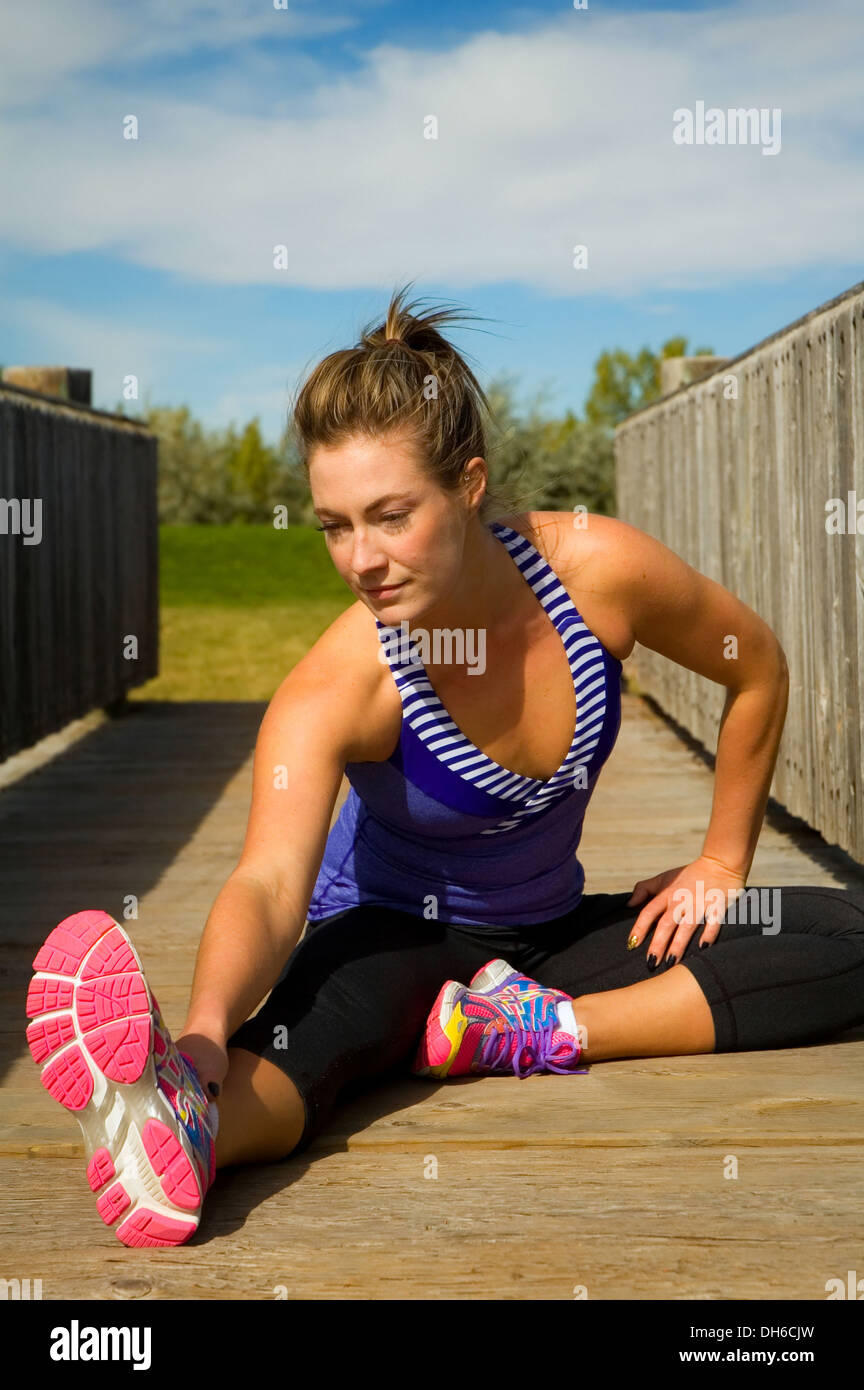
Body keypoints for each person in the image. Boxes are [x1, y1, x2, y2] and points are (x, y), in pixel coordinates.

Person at [25, 285, 864, 1247]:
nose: (361, 559)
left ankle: (535, 1032)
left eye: (390, 515)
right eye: (335, 525)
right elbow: (264, 882)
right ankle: (174, 1120)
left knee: (843, 931)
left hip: (547, 939)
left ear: (468, 485)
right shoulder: (339, 686)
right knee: (328, 1037)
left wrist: (722, 860)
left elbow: (754, 665)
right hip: (388, 936)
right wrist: (211, 1029)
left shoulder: (595, 574)